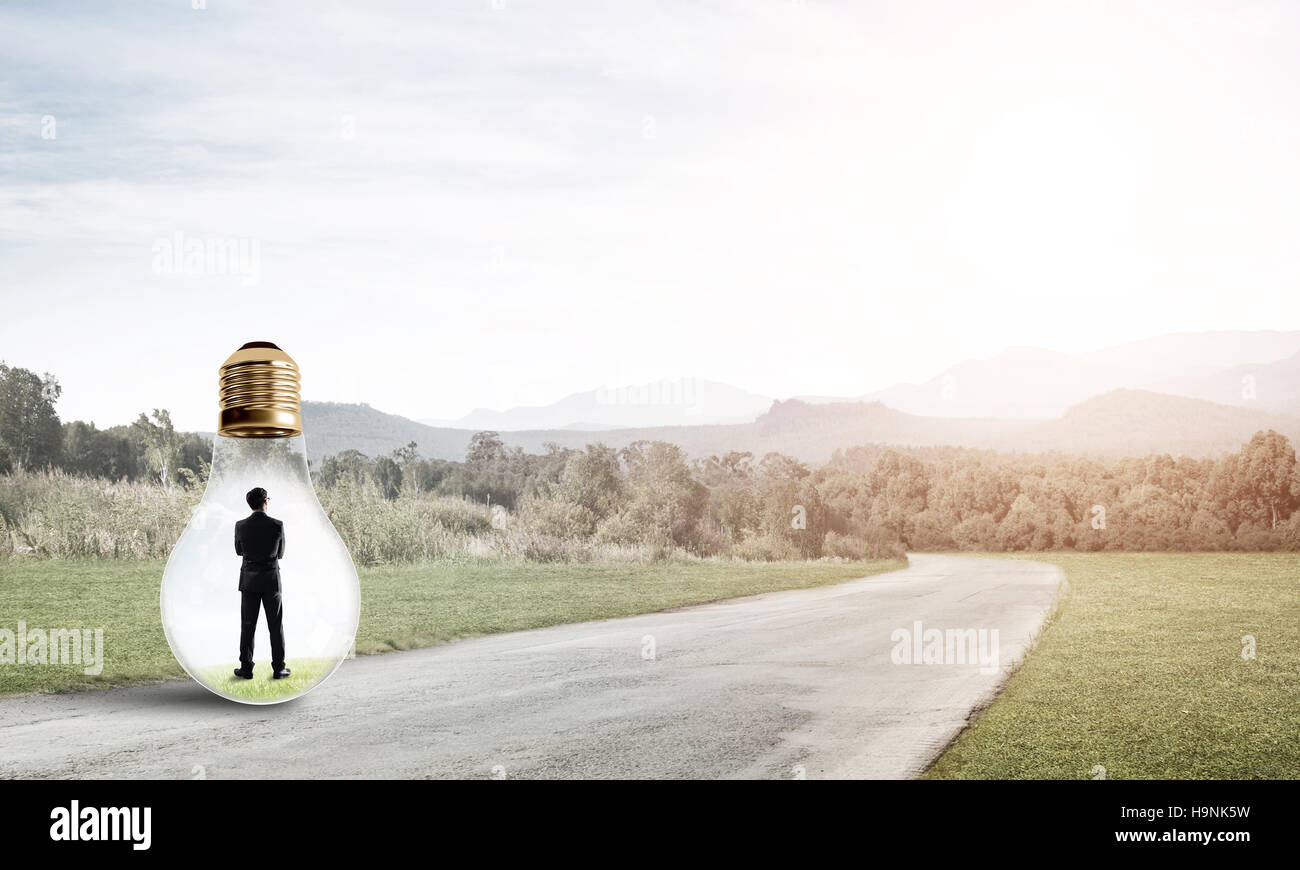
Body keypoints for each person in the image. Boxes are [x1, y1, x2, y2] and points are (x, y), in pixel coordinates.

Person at [233, 487, 289, 680]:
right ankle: (279, 668)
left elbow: (239, 551)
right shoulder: (277, 525)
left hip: (249, 580)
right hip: (271, 581)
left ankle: (246, 668)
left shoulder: (240, 525)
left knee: (247, 625)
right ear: (265, 501)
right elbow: (280, 554)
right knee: (276, 625)